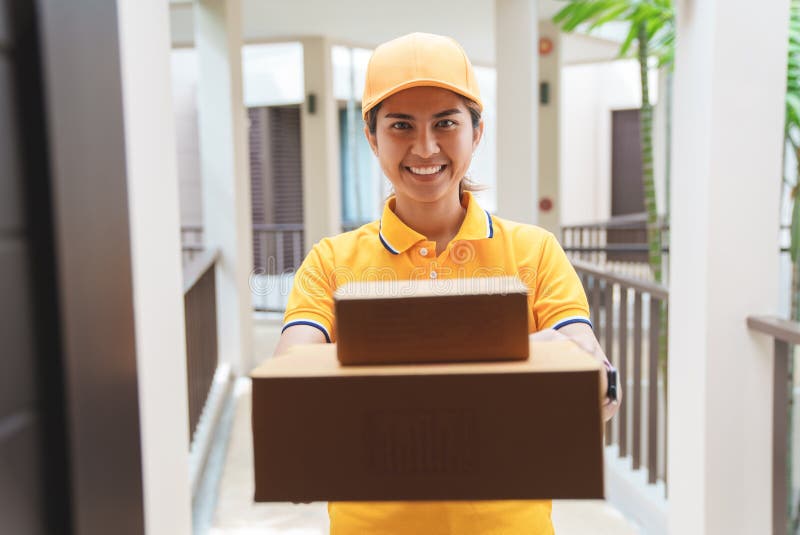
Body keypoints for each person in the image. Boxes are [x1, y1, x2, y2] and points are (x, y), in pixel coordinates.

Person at [273, 32, 620, 535]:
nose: (425, 147)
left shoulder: (534, 251)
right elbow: (294, 388)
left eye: (446, 123)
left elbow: (589, 374)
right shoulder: (332, 262)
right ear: (372, 137)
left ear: (477, 132)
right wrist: (516, 363)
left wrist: (591, 380)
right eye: (400, 126)